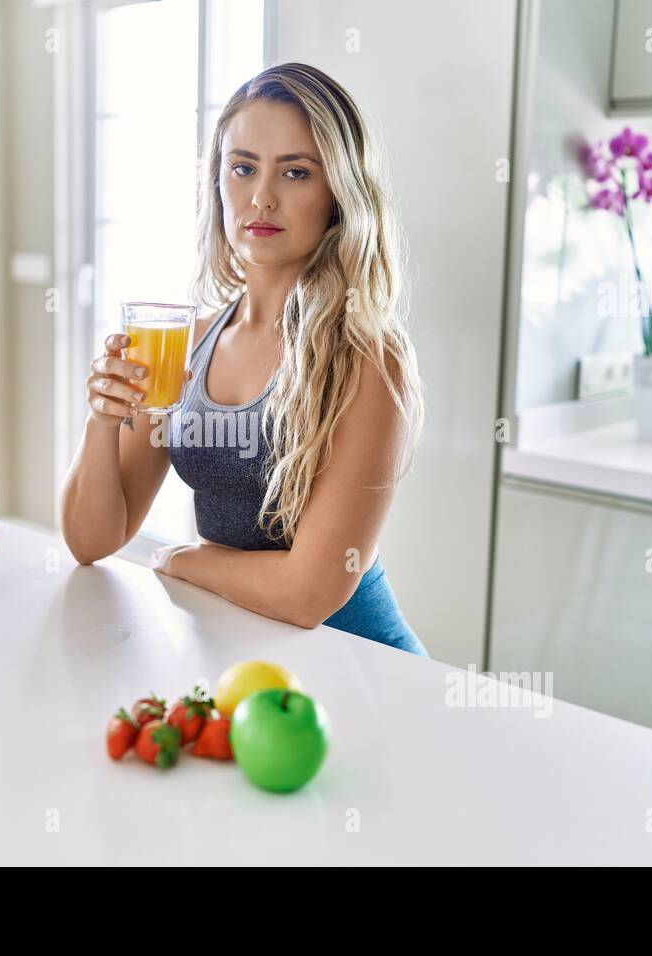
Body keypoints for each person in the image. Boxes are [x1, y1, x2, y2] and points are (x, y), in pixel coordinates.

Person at [60, 63, 426, 656]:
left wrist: (191, 559)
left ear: (337, 194)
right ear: (218, 183)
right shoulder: (189, 341)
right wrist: (103, 421)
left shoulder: (367, 357)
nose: (262, 197)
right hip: (244, 658)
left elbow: (308, 595)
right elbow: (91, 539)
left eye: (296, 172)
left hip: (362, 664)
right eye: (243, 167)